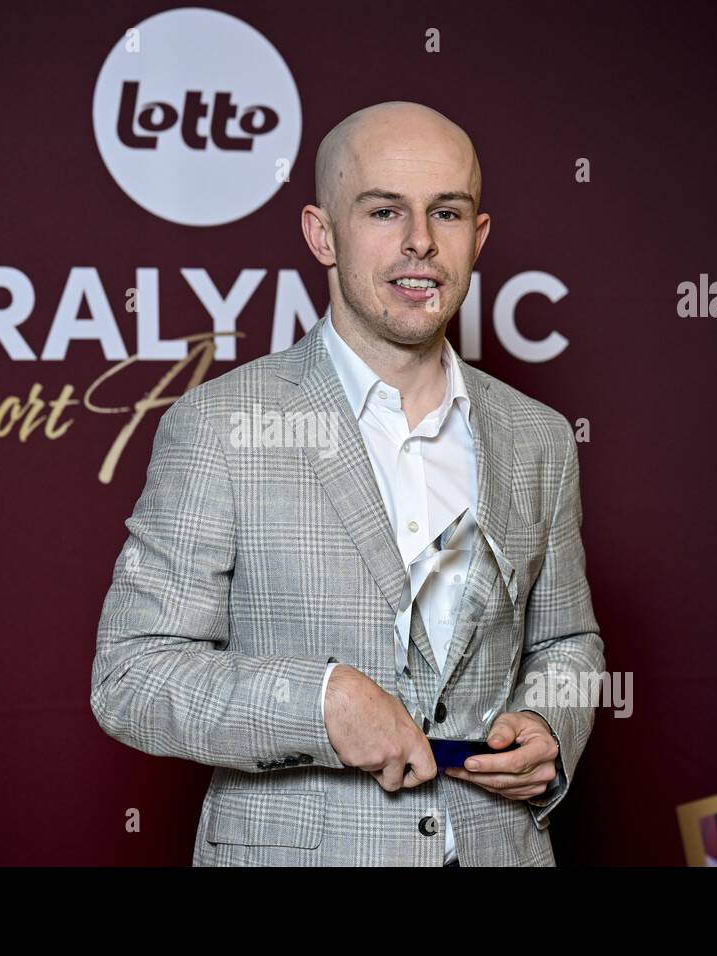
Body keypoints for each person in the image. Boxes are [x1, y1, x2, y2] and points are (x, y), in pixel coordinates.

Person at [91, 101, 604, 866]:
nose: (420, 242)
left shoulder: (539, 438)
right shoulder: (220, 425)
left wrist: (549, 726)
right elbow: (131, 676)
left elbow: (567, 641)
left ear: (479, 236)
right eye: (385, 210)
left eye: (448, 212)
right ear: (321, 233)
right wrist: (320, 704)